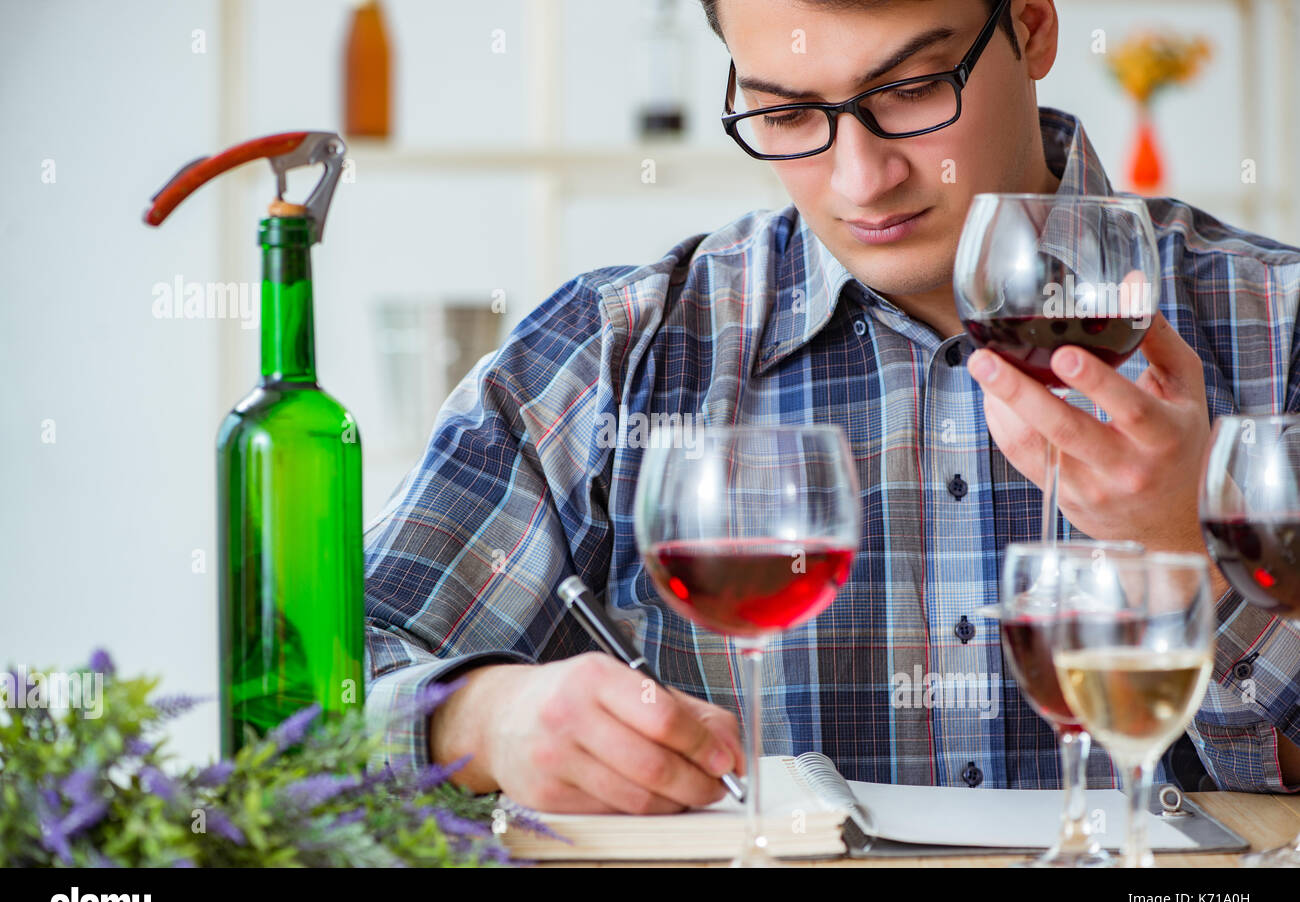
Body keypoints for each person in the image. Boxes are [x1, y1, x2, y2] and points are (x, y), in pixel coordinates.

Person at [363, 0, 1300, 813]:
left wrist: (1197, 551)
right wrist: (481, 720)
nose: (863, 179)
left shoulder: (1279, 328)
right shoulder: (610, 355)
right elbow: (296, 709)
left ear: (1032, 26)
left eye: (913, 89)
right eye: (788, 112)